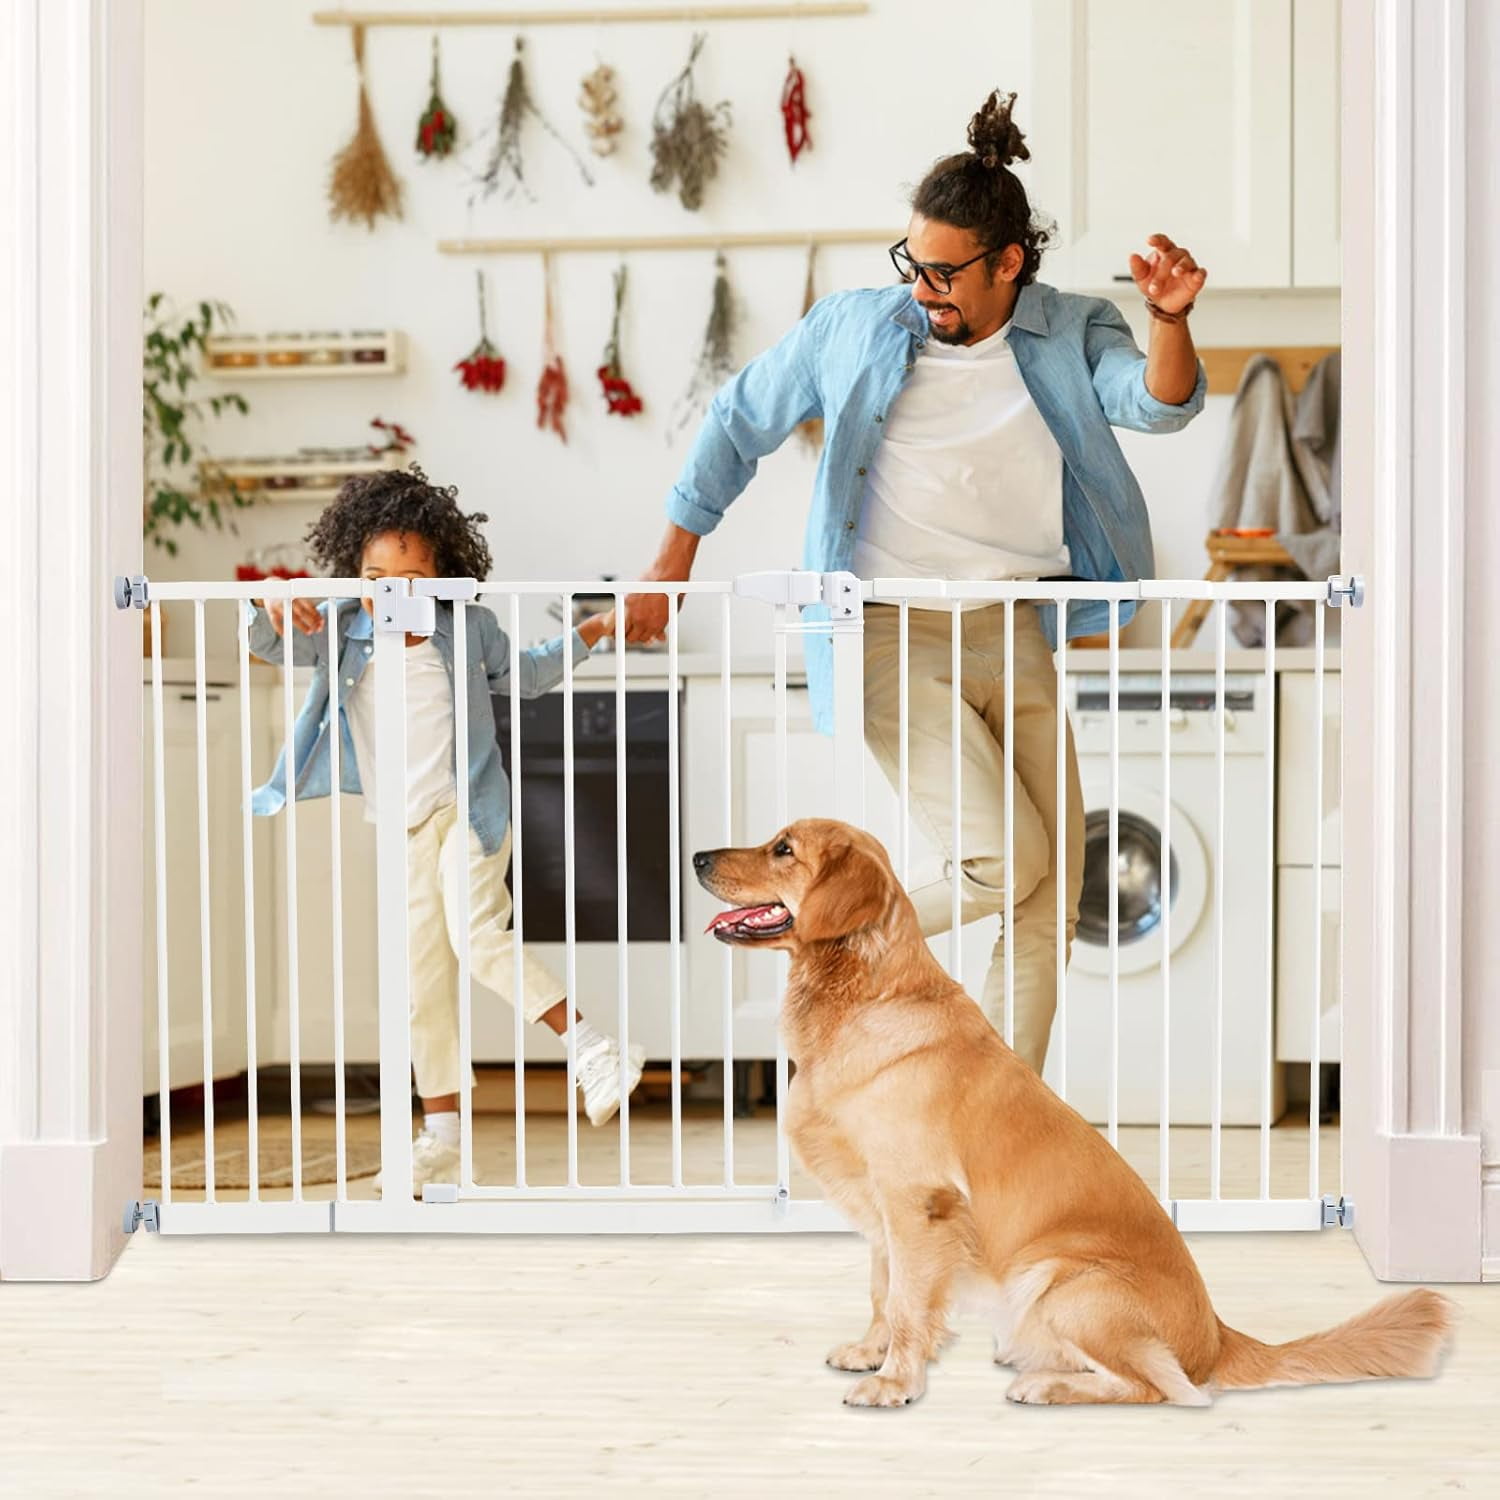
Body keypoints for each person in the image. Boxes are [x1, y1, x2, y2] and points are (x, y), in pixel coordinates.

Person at [625, 91, 1208, 1073]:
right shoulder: (854, 328)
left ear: (1008, 263)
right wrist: (672, 557)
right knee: (1001, 862)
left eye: (944, 272)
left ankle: (1004, 1119)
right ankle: (811, 921)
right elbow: (738, 419)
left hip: (1014, 630)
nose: (923, 288)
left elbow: (1156, 403)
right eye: (913, 263)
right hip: (894, 634)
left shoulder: (1071, 331)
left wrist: (1168, 319)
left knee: (1048, 891)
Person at [248, 465, 644, 1195]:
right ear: (356, 573)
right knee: (420, 987)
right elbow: (273, 647)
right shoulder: (341, 626)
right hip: (399, 825)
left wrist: (593, 630)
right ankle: (444, 1140)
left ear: (442, 578)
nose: (391, 593)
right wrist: (271, 603)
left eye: (411, 579)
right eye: (376, 578)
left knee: (477, 935)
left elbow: (527, 675)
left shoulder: (465, 629)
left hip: (465, 810)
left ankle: (593, 1048)